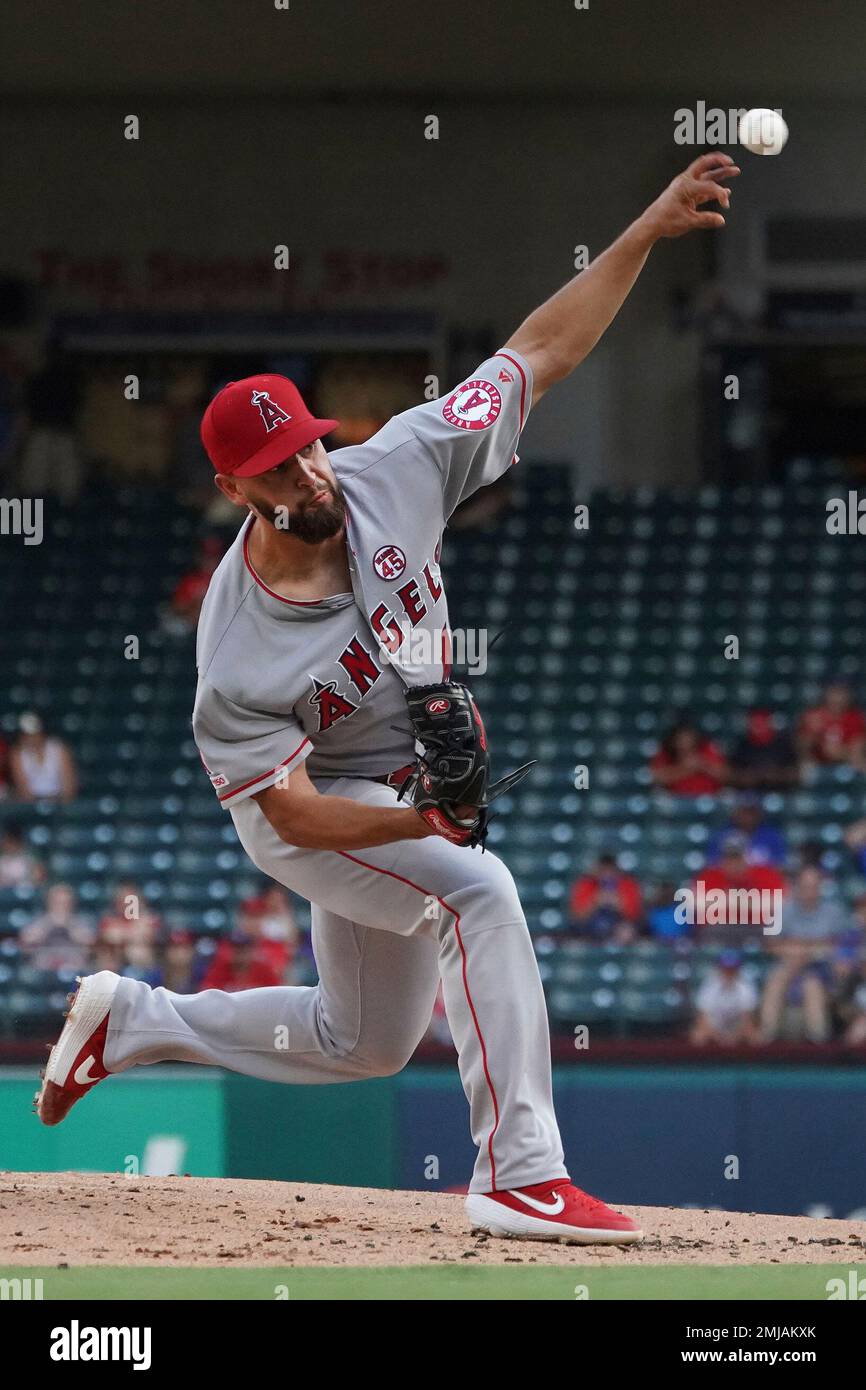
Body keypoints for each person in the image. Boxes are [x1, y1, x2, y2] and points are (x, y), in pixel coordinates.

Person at [37, 151, 742, 1246]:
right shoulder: (234, 651)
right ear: (233, 489)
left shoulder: (394, 463)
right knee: (479, 892)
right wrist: (427, 822)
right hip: (308, 809)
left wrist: (644, 228)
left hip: (393, 773)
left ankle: (136, 1019)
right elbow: (295, 816)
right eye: (275, 470)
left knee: (361, 1039)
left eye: (306, 446)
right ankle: (518, 1172)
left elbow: (536, 354)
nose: (307, 474)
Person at [759, 867, 847, 1043]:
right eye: (805, 886)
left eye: (814, 886)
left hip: (821, 969)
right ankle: (766, 1041)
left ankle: (818, 1045)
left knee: (811, 985)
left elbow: (840, 946)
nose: (810, 891)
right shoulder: (784, 909)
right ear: (797, 887)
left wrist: (806, 951)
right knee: (775, 980)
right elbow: (771, 944)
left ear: (820, 887)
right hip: (789, 965)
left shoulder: (834, 912)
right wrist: (796, 953)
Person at [19, 883, 94, 974]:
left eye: (65, 903)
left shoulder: (81, 922)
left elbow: (90, 945)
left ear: (72, 904)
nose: (61, 906)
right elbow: (27, 943)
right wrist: (49, 922)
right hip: (43, 969)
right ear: (48, 902)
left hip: (73, 967)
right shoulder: (39, 921)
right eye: (57, 902)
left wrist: (69, 924)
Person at [569, 852, 642, 941]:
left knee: (626, 931)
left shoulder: (627, 884)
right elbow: (578, 917)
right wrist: (595, 902)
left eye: (610, 870)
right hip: (589, 928)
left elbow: (635, 916)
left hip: (617, 927)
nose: (607, 874)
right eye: (603, 869)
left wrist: (618, 904)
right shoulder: (586, 884)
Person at [691, 951, 760, 1046]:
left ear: (738, 970)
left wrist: (734, 1037)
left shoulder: (746, 986)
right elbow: (702, 1019)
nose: (729, 973)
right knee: (698, 1036)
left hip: (738, 1025)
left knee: (755, 1036)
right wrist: (718, 1037)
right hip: (714, 1026)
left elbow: (748, 1020)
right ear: (720, 969)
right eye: (726, 969)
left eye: (732, 970)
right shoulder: (709, 985)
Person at [797, 681, 866, 772]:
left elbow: (858, 746)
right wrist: (815, 735)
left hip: (849, 762)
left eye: (842, 694)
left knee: (861, 763)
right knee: (805, 766)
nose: (838, 698)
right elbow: (802, 746)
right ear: (827, 694)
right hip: (817, 762)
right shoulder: (814, 716)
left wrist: (840, 751)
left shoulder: (855, 718)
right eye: (834, 693)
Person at [9, 713, 78, 803]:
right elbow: (23, 788)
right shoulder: (17, 754)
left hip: (59, 801)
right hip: (31, 803)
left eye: (34, 734)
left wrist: (61, 804)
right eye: (27, 735)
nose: (31, 738)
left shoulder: (59, 749)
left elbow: (69, 784)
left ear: (42, 733)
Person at [706, 794, 787, 869]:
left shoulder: (772, 836)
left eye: (751, 813)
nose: (748, 817)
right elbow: (703, 878)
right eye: (744, 812)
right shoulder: (721, 836)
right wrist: (702, 884)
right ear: (735, 813)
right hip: (724, 882)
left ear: (759, 814)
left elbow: (780, 865)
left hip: (760, 882)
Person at [651, 719, 727, 796]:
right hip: (676, 800)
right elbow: (656, 778)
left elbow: (724, 775)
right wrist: (686, 768)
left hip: (708, 798)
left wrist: (702, 764)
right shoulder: (665, 752)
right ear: (673, 740)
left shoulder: (706, 748)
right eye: (680, 738)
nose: (685, 741)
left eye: (688, 737)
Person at [727, 709, 800, 791]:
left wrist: (777, 775)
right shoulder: (742, 745)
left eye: (761, 723)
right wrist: (746, 776)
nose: (757, 727)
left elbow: (796, 774)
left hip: (781, 792)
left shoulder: (783, 744)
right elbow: (730, 774)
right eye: (754, 724)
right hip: (750, 794)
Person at [200, 930, 283, 992]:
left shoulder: (264, 970)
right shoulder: (219, 969)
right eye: (236, 948)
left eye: (244, 948)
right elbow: (207, 994)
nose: (239, 952)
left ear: (252, 949)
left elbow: (277, 996)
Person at [0, 822, 46, 889]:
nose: (9, 846)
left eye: (12, 842)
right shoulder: (2, 860)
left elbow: (39, 878)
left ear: (19, 843)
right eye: (7, 842)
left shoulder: (30, 859)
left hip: (26, 893)